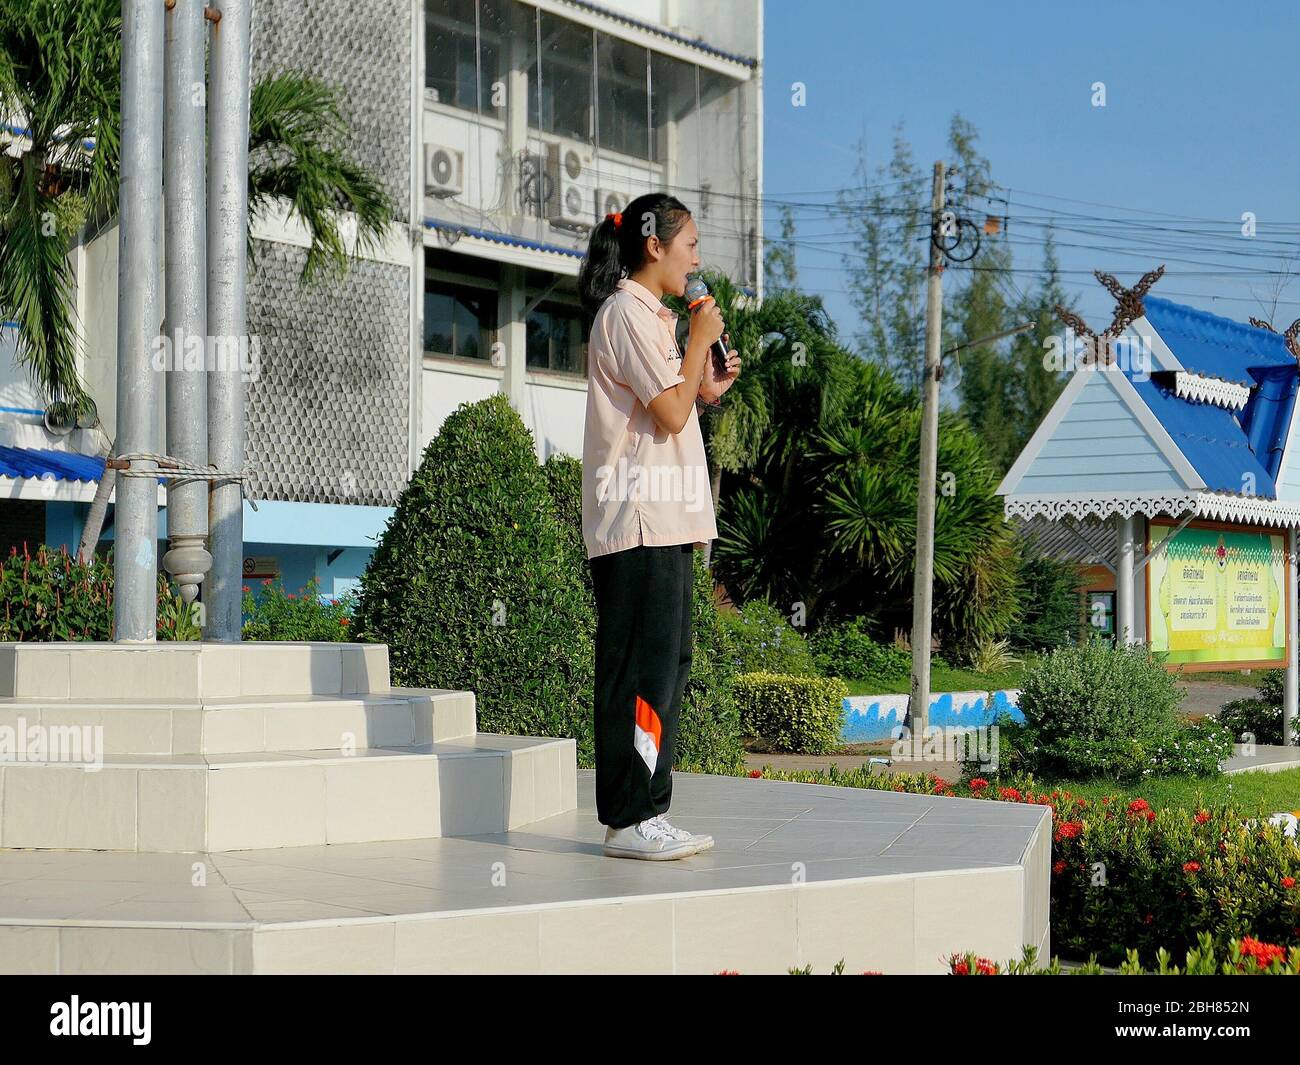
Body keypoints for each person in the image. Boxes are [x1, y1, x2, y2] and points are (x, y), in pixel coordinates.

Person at [578, 192, 741, 861]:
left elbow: (685, 399)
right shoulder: (627, 314)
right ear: (655, 244)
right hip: (637, 520)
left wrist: (711, 373)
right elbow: (671, 415)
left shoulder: (657, 319)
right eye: (692, 245)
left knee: (668, 669)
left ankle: (651, 808)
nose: (698, 260)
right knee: (639, 674)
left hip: (667, 521)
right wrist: (698, 341)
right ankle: (628, 814)